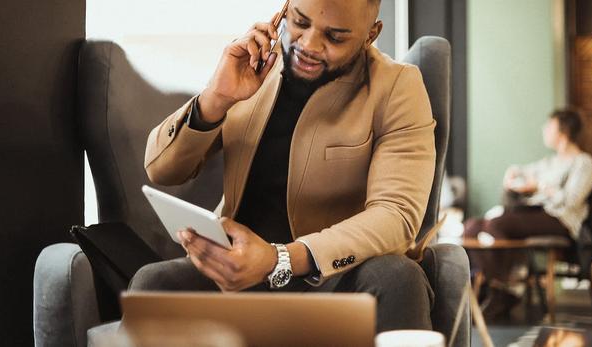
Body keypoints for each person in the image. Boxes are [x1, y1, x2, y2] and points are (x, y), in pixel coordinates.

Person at [135, 0, 437, 332]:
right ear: (283, 11)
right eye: (299, 23)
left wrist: (282, 258)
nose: (308, 45)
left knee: (397, 277)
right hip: (236, 275)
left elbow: (396, 215)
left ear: (370, 34)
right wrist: (216, 98)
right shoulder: (252, 64)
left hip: (333, 279)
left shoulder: (397, 87)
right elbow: (162, 170)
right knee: (153, 280)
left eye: (335, 37)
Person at [464, 109, 592, 321]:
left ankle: (502, 290)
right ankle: (491, 287)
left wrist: (540, 186)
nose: (544, 129)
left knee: (496, 224)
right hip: (537, 213)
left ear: (563, 131)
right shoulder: (551, 162)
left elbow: (571, 200)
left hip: (561, 220)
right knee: (471, 226)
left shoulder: (583, 162)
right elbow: (524, 170)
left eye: (549, 126)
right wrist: (513, 173)